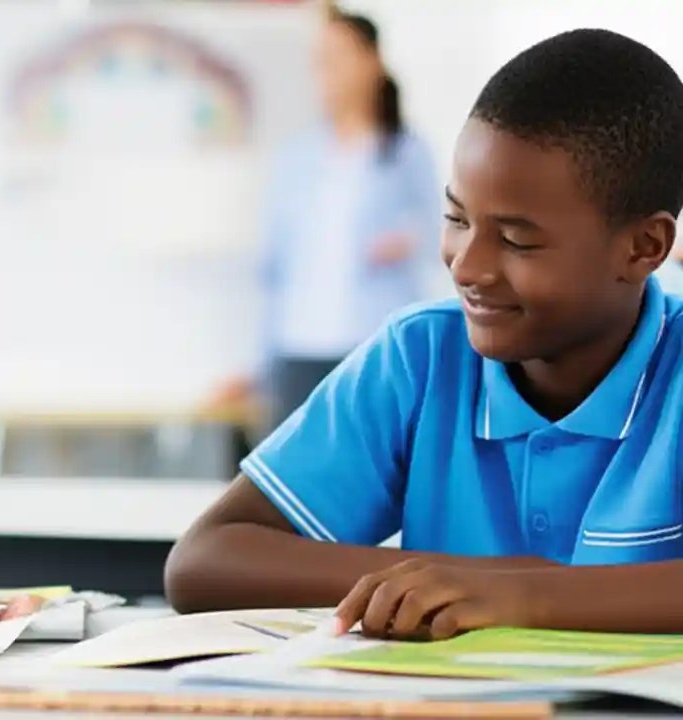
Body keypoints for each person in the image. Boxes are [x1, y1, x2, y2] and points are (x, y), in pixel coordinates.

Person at [168, 28, 683, 640]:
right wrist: (459, 578)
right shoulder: (420, 359)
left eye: (517, 240)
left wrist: (523, 594)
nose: (467, 265)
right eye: (456, 219)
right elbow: (205, 561)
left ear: (643, 247)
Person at [213, 10, 440, 431]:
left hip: (372, 348)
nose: (327, 72)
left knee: (377, 463)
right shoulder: (295, 158)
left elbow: (443, 238)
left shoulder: (406, 153)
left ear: (372, 62)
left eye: (339, 57)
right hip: (298, 349)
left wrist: (408, 239)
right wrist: (256, 366)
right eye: (320, 61)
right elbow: (274, 271)